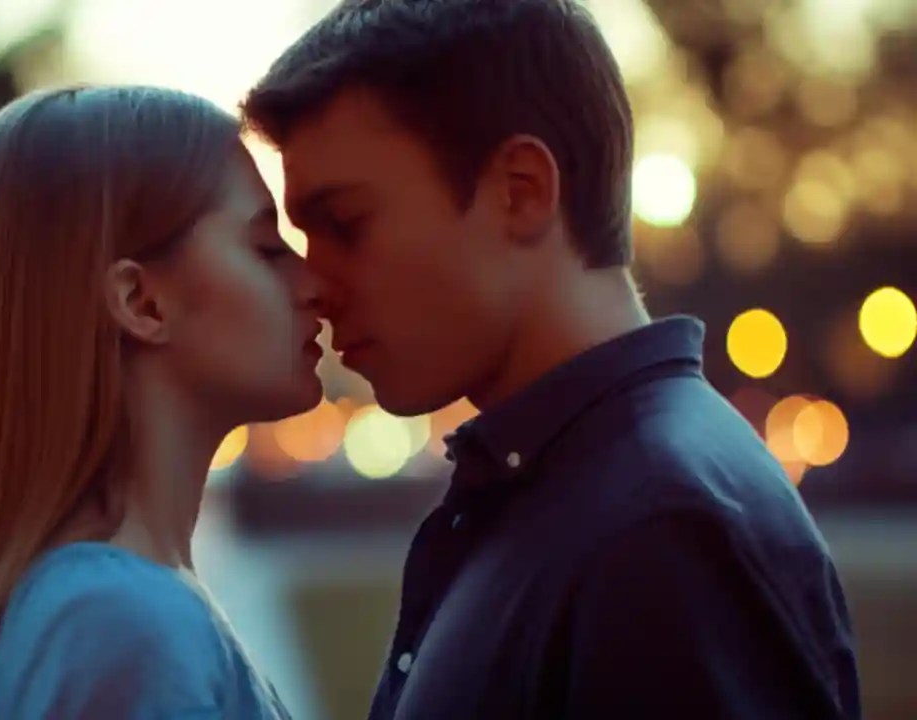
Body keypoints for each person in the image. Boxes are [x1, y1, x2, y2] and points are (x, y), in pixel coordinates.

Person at [242, 1, 861, 718]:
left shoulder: (659, 528)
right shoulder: (571, 486)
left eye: (347, 224)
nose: (312, 284)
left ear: (521, 192)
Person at [0, 86, 319, 719]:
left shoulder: (110, 607)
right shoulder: (120, 625)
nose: (312, 282)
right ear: (142, 303)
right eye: (267, 249)